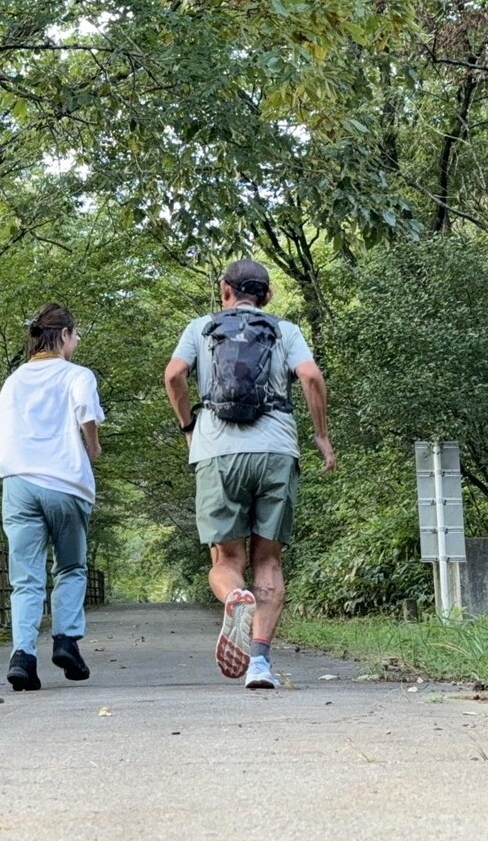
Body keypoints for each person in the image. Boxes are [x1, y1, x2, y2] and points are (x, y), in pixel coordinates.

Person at [163, 259, 335, 690]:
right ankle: (259, 663)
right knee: (269, 560)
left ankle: (234, 597)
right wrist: (321, 436)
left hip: (219, 452)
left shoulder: (201, 328)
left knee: (227, 560)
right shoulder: (284, 329)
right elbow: (311, 376)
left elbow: (174, 375)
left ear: (224, 291)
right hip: (276, 451)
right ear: (267, 295)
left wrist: (189, 427)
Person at [0, 302, 103, 692]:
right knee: (70, 567)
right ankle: (66, 640)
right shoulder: (77, 375)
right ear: (65, 335)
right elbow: (86, 413)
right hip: (65, 482)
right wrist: (93, 447)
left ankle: (23, 656)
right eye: (76, 334)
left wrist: (15, 464)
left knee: (26, 579)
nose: (78, 341)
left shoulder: (15, 379)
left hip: (18, 483)